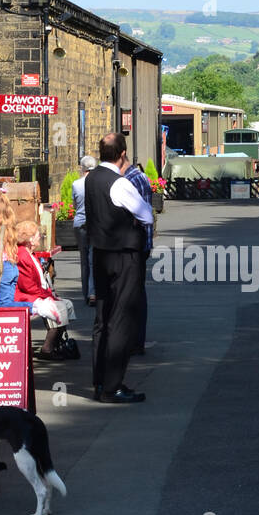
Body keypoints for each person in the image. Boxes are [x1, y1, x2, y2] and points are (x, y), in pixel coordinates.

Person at [84, 132, 153, 404]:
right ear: (123, 154)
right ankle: (114, 386)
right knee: (121, 319)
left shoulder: (90, 179)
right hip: (124, 257)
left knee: (102, 320)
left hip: (100, 254)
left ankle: (100, 380)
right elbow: (145, 213)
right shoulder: (119, 183)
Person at [14, 219, 74, 359]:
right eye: (36, 235)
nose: (39, 237)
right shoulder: (23, 255)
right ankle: (47, 349)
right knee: (58, 307)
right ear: (29, 239)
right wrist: (48, 296)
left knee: (67, 304)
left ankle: (55, 342)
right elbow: (27, 286)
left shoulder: (31, 254)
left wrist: (49, 294)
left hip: (34, 293)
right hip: (24, 296)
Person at [124, 161, 154, 355]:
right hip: (141, 244)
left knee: (132, 293)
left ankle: (134, 341)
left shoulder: (130, 180)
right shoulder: (139, 177)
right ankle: (137, 340)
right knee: (137, 291)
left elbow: (140, 214)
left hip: (134, 245)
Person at [72, 155, 97, 305]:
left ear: (82, 168)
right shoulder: (98, 183)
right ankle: (93, 292)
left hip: (80, 223)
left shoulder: (76, 184)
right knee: (93, 259)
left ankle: (85, 294)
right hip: (94, 224)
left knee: (84, 260)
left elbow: (75, 204)